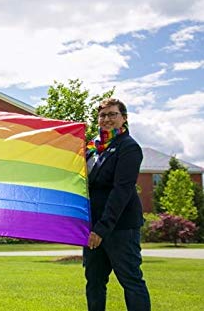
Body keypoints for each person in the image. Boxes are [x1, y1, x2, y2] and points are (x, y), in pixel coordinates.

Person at [83, 98, 151, 311]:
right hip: (93, 226)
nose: (107, 119)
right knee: (94, 281)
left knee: (131, 281)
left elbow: (121, 191)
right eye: (102, 115)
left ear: (124, 118)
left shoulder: (129, 147)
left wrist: (102, 229)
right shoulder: (92, 148)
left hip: (120, 227)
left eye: (113, 114)